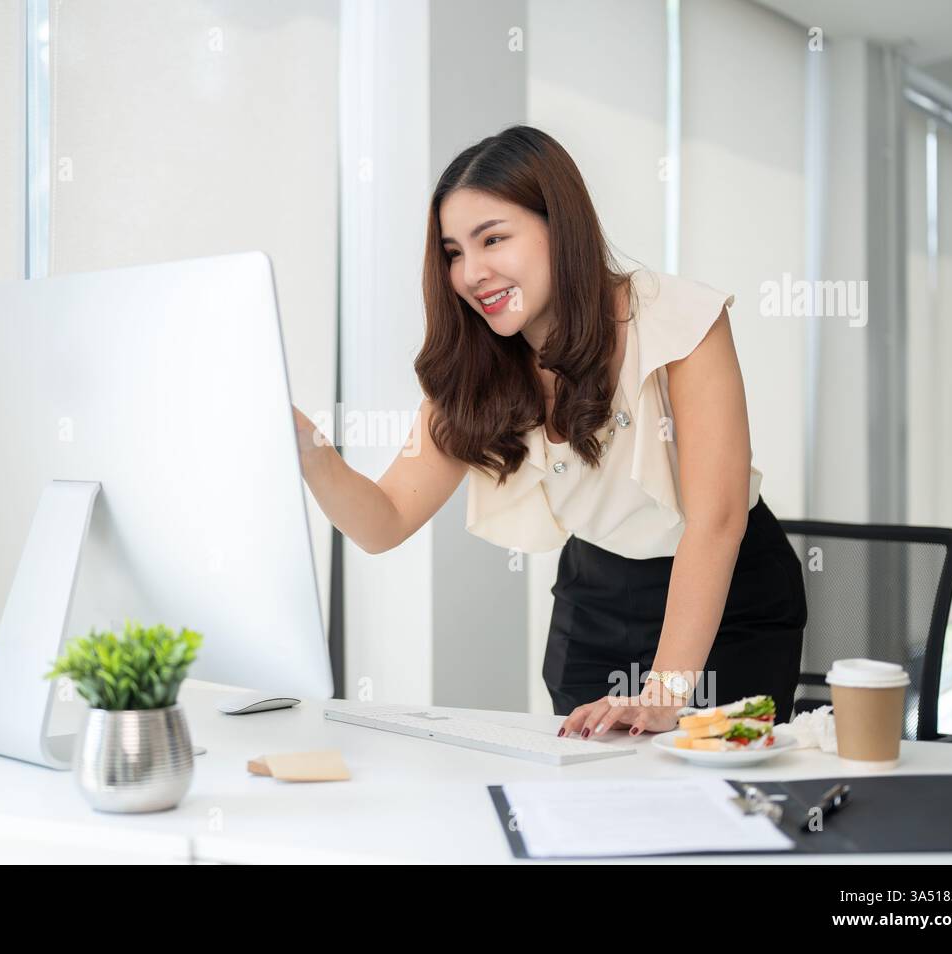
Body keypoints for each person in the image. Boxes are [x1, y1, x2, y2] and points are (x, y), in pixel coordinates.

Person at [293, 125, 806, 739]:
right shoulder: (475, 370)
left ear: (559, 226)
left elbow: (718, 519)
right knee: (589, 799)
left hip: (728, 598)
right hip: (595, 598)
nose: (472, 272)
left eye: (493, 239)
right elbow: (383, 521)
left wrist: (665, 694)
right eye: (454, 252)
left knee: (716, 797)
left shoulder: (681, 320)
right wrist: (310, 450)